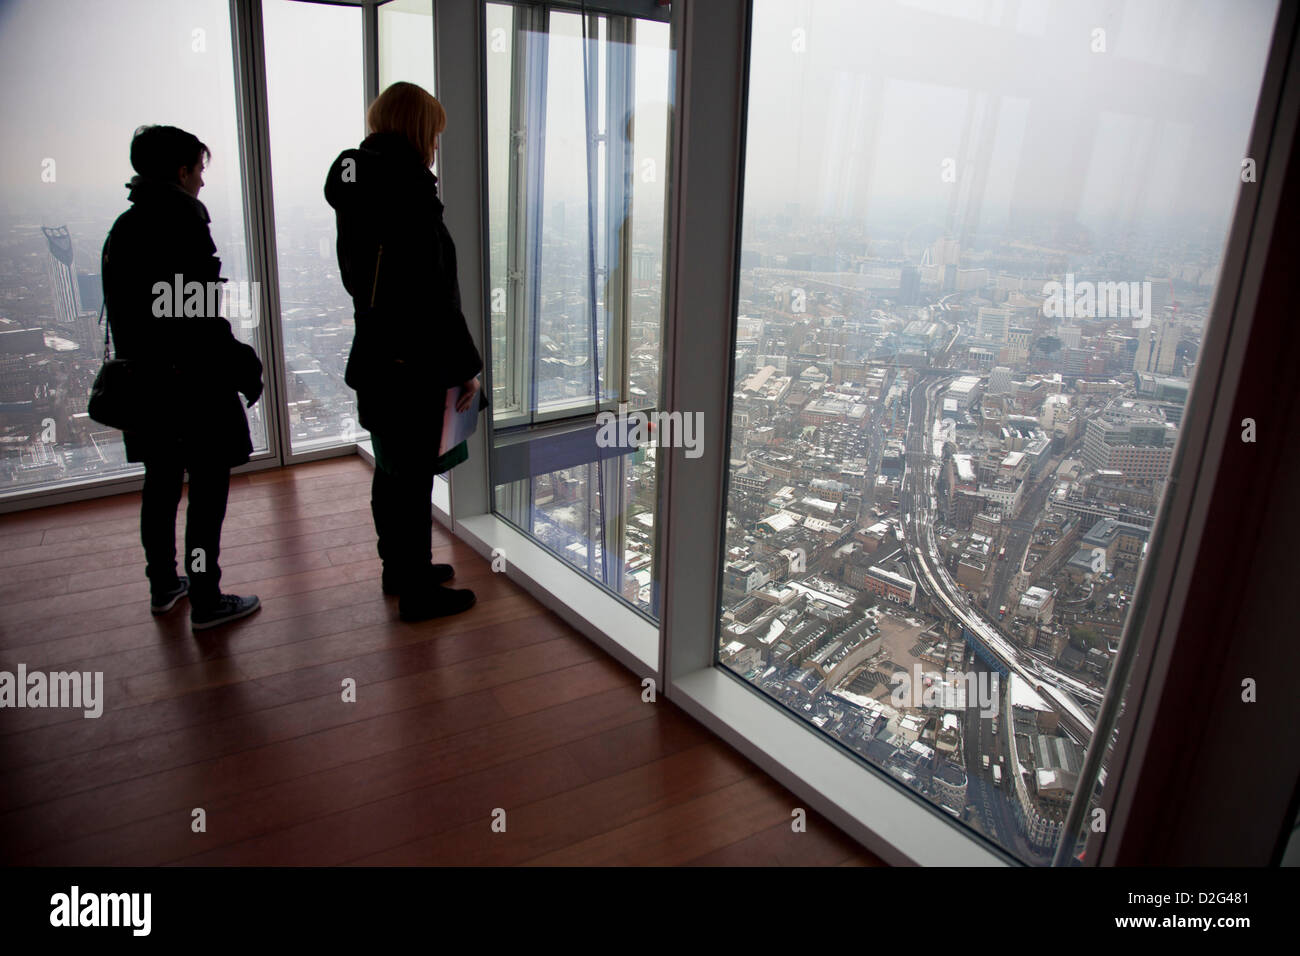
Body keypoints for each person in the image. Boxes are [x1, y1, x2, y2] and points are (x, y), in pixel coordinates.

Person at [325, 82, 484, 622]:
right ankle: (417, 592)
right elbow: (435, 297)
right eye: (433, 134)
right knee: (413, 478)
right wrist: (467, 369)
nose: (436, 146)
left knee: (392, 471)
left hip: (376, 355)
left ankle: (399, 568)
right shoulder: (408, 195)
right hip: (413, 363)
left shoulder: (361, 188)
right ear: (417, 131)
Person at [101, 125, 264, 631]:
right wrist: (244, 365)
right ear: (181, 171)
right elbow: (200, 318)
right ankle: (207, 597)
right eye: (199, 170)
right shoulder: (182, 223)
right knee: (208, 493)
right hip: (193, 385)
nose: (202, 181)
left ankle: (164, 585)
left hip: (145, 385)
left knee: (161, 485)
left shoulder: (124, 228)